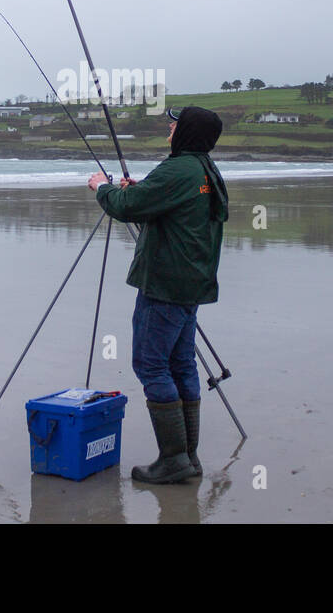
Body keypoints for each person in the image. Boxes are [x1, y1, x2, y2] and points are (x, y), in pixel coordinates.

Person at [87, 106, 228, 484]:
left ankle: (173, 459)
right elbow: (165, 205)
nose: (171, 126)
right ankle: (187, 457)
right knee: (181, 365)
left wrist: (102, 187)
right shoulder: (203, 169)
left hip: (167, 284)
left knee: (152, 366)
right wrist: (143, 193)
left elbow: (127, 207)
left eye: (176, 123)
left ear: (188, 132)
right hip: (191, 284)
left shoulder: (179, 169)